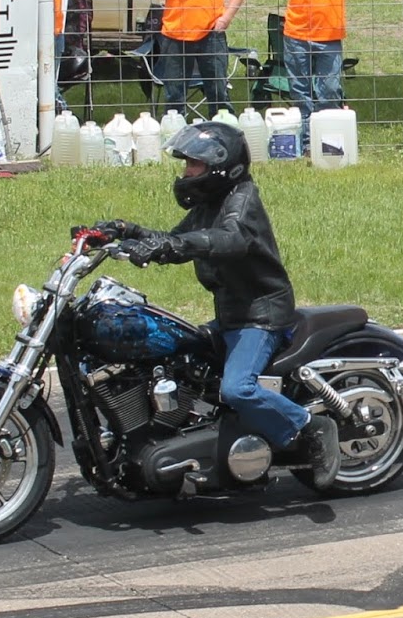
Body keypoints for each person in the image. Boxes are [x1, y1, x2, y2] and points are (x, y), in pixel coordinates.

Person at [96, 123, 342, 488]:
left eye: (193, 165)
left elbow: (230, 239)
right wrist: (127, 231)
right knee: (176, 361)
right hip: (231, 314)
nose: (186, 172)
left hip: (259, 316)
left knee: (236, 389)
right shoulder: (210, 205)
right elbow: (176, 239)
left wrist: (173, 247)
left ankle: (311, 428)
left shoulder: (242, 200)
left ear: (220, 167)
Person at [259, 0, 375, 149]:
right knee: (299, 92)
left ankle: (328, 142)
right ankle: (306, 143)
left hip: (329, 33)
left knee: (329, 90)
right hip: (296, 32)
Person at [144, 0, 249, 117]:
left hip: (212, 32)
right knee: (174, 97)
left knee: (219, 94)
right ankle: (176, 137)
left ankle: (222, 136)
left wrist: (227, 17)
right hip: (174, 34)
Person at [1, 0, 76, 114]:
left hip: (53, 28)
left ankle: (55, 121)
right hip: (24, 30)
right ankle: (58, 118)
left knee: (49, 83)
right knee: (25, 84)